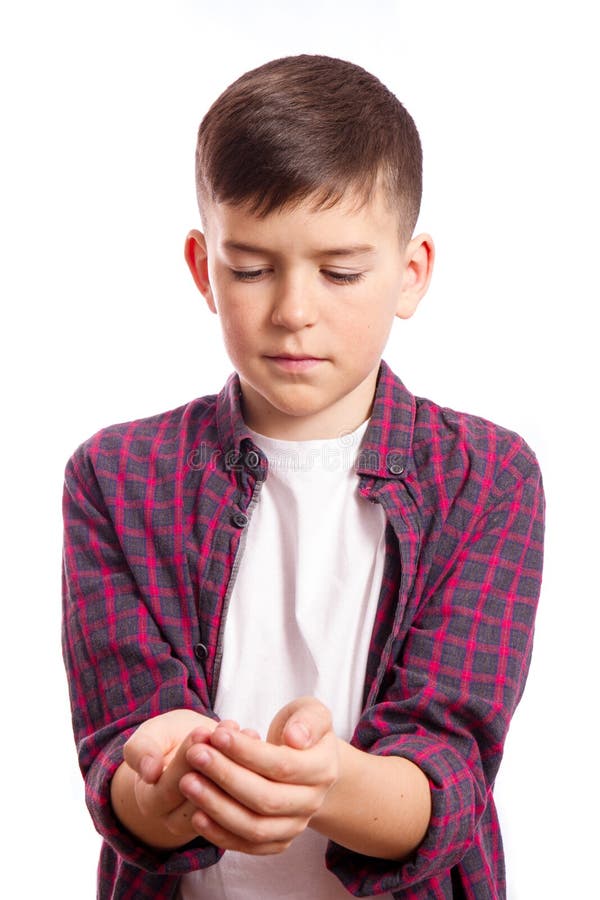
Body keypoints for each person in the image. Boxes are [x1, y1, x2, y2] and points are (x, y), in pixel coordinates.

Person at [61, 54, 545, 900]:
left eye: (341, 271)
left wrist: (325, 784)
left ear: (412, 272)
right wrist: (173, 778)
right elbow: (119, 759)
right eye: (250, 268)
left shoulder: (489, 479)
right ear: (202, 269)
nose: (293, 310)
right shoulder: (114, 476)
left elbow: (448, 774)